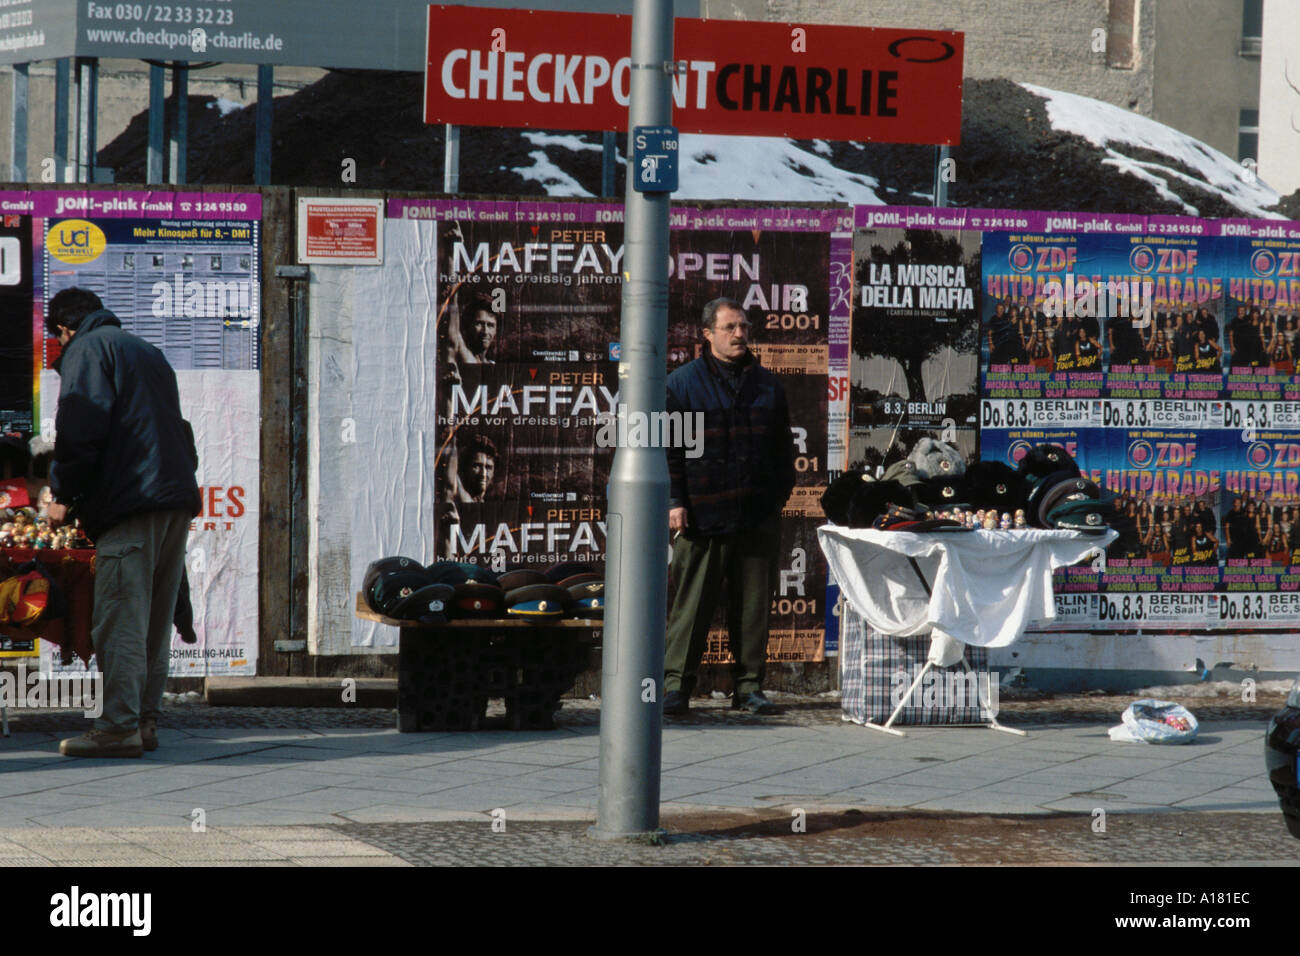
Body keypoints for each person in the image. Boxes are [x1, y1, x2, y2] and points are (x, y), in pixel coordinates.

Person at [45, 288, 200, 758]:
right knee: (152, 618)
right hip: (172, 499)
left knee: (120, 617)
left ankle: (117, 727)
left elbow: (81, 427)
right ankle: (144, 722)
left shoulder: (87, 350)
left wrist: (62, 493)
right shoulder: (146, 350)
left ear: (64, 330)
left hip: (131, 500)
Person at [663, 297, 795, 716]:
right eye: (730, 327)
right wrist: (675, 502)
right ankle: (676, 687)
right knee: (691, 609)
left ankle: (749, 687)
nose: (740, 334)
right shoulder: (681, 384)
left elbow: (782, 455)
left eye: (743, 326)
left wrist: (774, 501)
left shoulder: (768, 386)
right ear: (707, 334)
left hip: (756, 517)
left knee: (753, 608)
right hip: (702, 516)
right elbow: (669, 452)